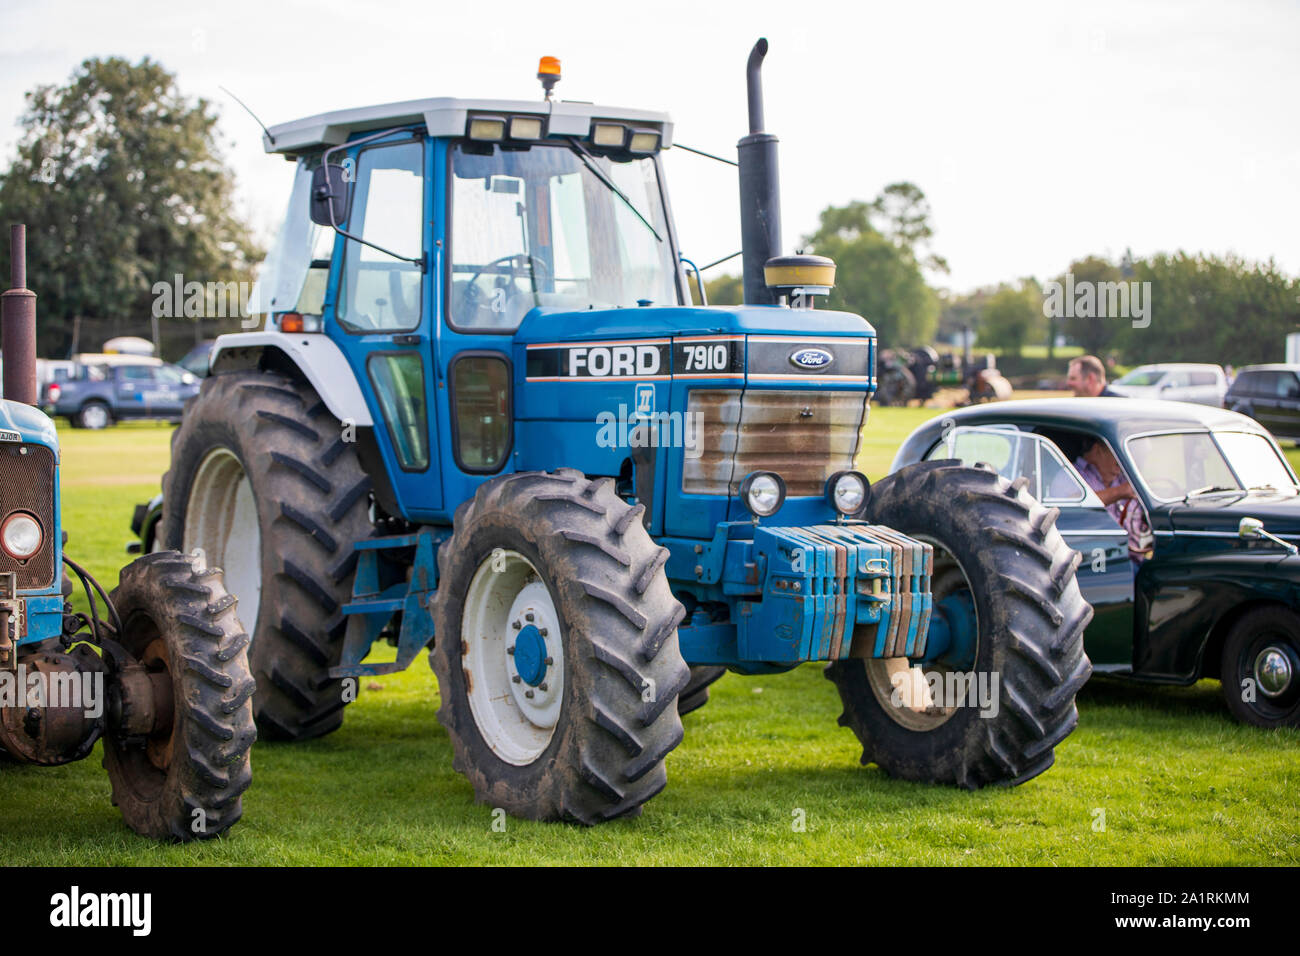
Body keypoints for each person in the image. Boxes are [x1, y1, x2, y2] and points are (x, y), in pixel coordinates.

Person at [1074, 435, 1153, 563]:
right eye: (1118, 455)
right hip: (1099, 559)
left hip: (1131, 558)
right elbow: (1074, 505)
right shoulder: (1071, 474)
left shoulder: (1121, 477)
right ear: (1097, 450)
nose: (1120, 466)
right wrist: (1120, 492)